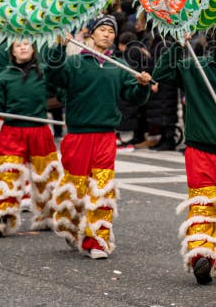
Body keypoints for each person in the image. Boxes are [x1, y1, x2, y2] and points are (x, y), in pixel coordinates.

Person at [50, 15, 152, 259]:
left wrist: (142, 85)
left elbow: (134, 96)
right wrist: (59, 47)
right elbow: (54, 75)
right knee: (75, 189)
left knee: (103, 188)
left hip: (106, 136)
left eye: (111, 31)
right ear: (91, 34)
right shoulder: (75, 63)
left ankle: (97, 239)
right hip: (78, 135)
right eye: (102, 30)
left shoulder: (118, 65)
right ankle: (71, 225)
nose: (107, 34)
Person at [153, 21, 216, 284]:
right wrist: (176, 44)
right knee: (203, 205)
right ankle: (201, 256)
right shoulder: (195, 66)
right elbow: (162, 73)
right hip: (201, 150)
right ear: (214, 40)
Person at [0, 40, 62, 237]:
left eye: (27, 44)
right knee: (7, 175)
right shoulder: (4, 77)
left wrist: (60, 46)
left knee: (46, 176)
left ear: (33, 49)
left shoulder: (45, 72)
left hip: (39, 130)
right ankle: (2, 218)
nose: (23, 47)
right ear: (12, 52)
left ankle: (48, 216)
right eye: (18, 45)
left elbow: (60, 90)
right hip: (12, 131)